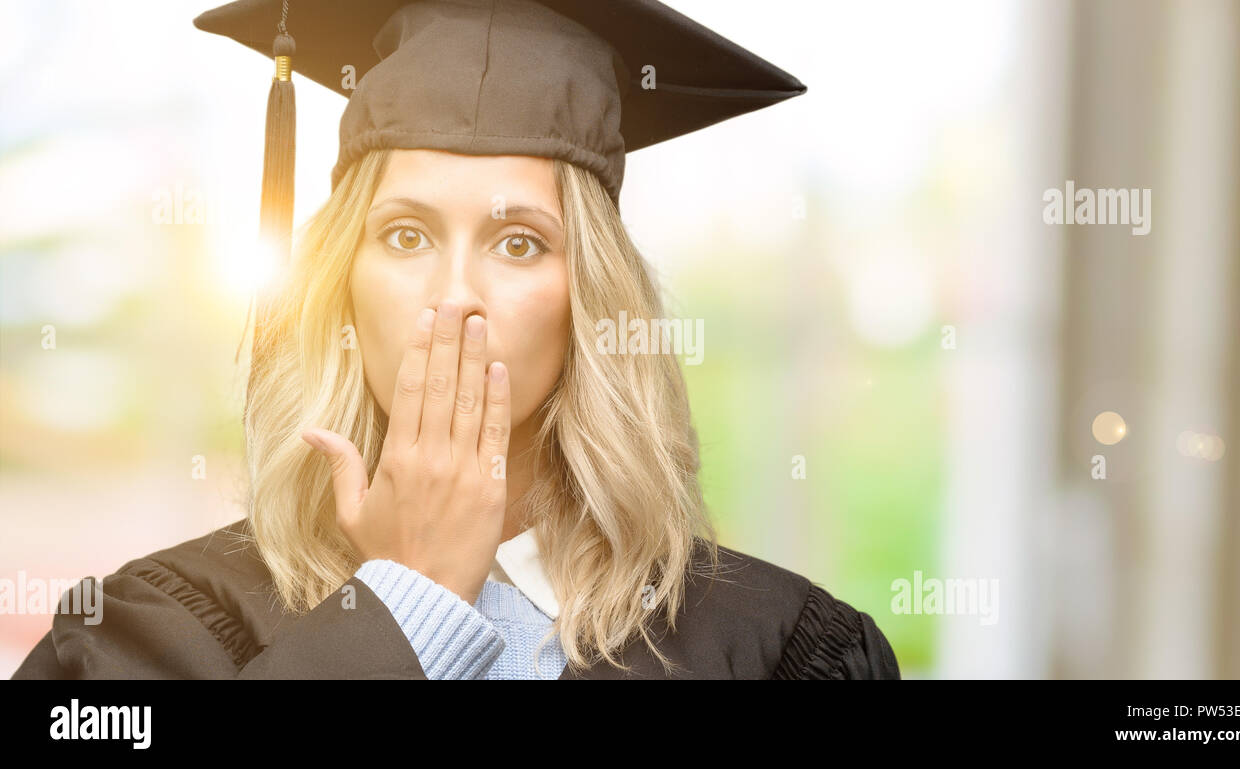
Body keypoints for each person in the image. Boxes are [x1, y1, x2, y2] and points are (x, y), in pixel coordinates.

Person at [12, 0, 900, 680]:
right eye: (405, 235)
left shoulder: (775, 648)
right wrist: (408, 601)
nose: (455, 295)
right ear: (342, 286)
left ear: (590, 298)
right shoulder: (150, 633)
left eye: (520, 243)